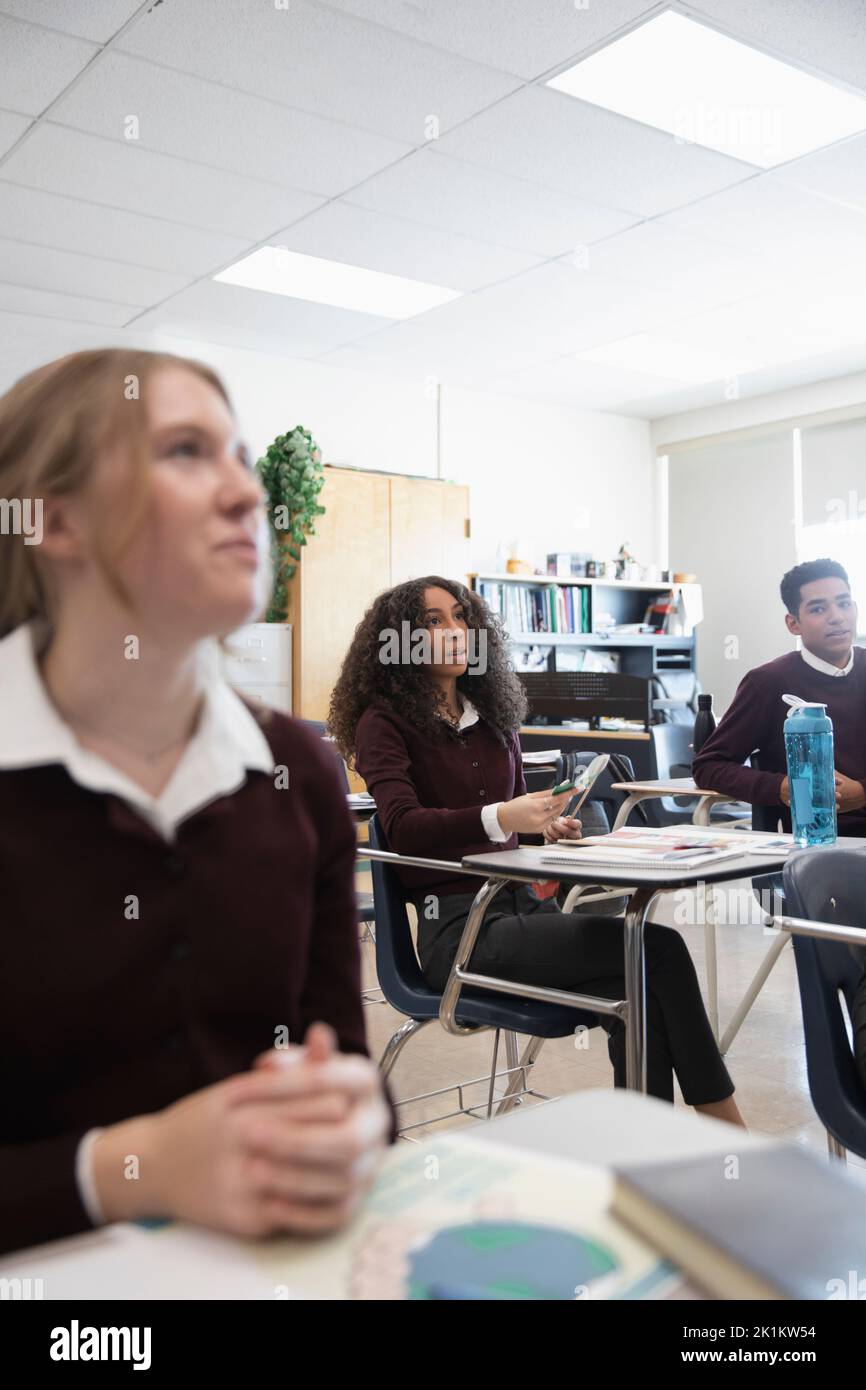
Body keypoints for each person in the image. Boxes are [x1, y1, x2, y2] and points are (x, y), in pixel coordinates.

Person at [0, 348, 389, 1257]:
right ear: (56, 520)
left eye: (240, 458)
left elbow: (353, 1078)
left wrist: (351, 1124)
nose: (249, 494)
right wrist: (135, 1165)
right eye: (184, 451)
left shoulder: (297, 766)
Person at [329, 575, 744, 1125]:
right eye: (433, 622)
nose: (455, 630)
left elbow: (507, 830)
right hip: (461, 933)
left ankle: (649, 1152)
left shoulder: (492, 717)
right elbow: (403, 828)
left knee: (638, 990)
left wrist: (543, 829)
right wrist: (505, 815)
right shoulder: (383, 723)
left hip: (527, 912)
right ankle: (726, 1131)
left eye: (461, 616)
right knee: (658, 948)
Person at [693, 558, 866, 836]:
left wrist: (862, 792)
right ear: (793, 624)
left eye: (844, 603)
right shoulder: (768, 682)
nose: (837, 616)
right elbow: (709, 766)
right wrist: (782, 787)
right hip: (815, 845)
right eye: (818, 608)